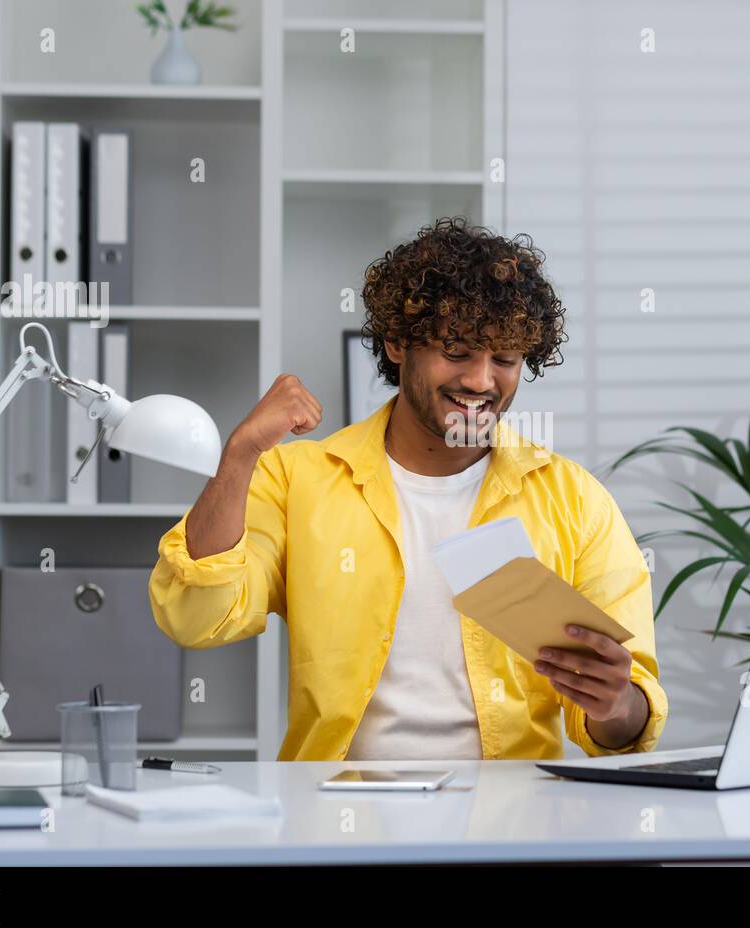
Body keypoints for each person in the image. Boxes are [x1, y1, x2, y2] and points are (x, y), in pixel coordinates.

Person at [148, 216, 667, 761]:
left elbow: (627, 727)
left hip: (511, 809)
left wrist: (615, 705)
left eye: (505, 359)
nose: (481, 381)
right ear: (397, 343)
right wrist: (239, 455)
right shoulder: (298, 480)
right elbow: (194, 618)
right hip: (336, 805)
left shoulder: (574, 501)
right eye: (457, 351)